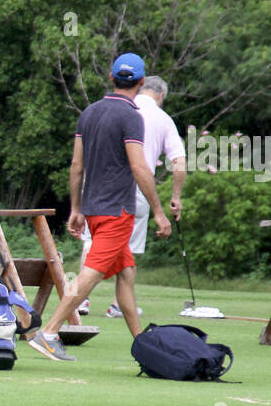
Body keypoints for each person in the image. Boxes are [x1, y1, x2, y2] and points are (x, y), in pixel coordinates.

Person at [27, 53, 172, 362]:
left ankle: (143, 346)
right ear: (142, 82)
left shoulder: (89, 113)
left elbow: (76, 166)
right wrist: (159, 211)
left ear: (111, 78)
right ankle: (49, 333)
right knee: (91, 275)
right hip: (118, 211)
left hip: (93, 209)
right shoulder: (132, 116)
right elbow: (139, 167)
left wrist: (76, 209)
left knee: (126, 273)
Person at [76, 74, 187, 318]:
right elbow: (179, 162)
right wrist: (175, 197)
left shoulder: (106, 110)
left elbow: (79, 160)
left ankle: (81, 302)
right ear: (161, 95)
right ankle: (116, 305)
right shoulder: (163, 119)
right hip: (136, 189)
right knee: (130, 248)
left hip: (96, 186)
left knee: (90, 242)